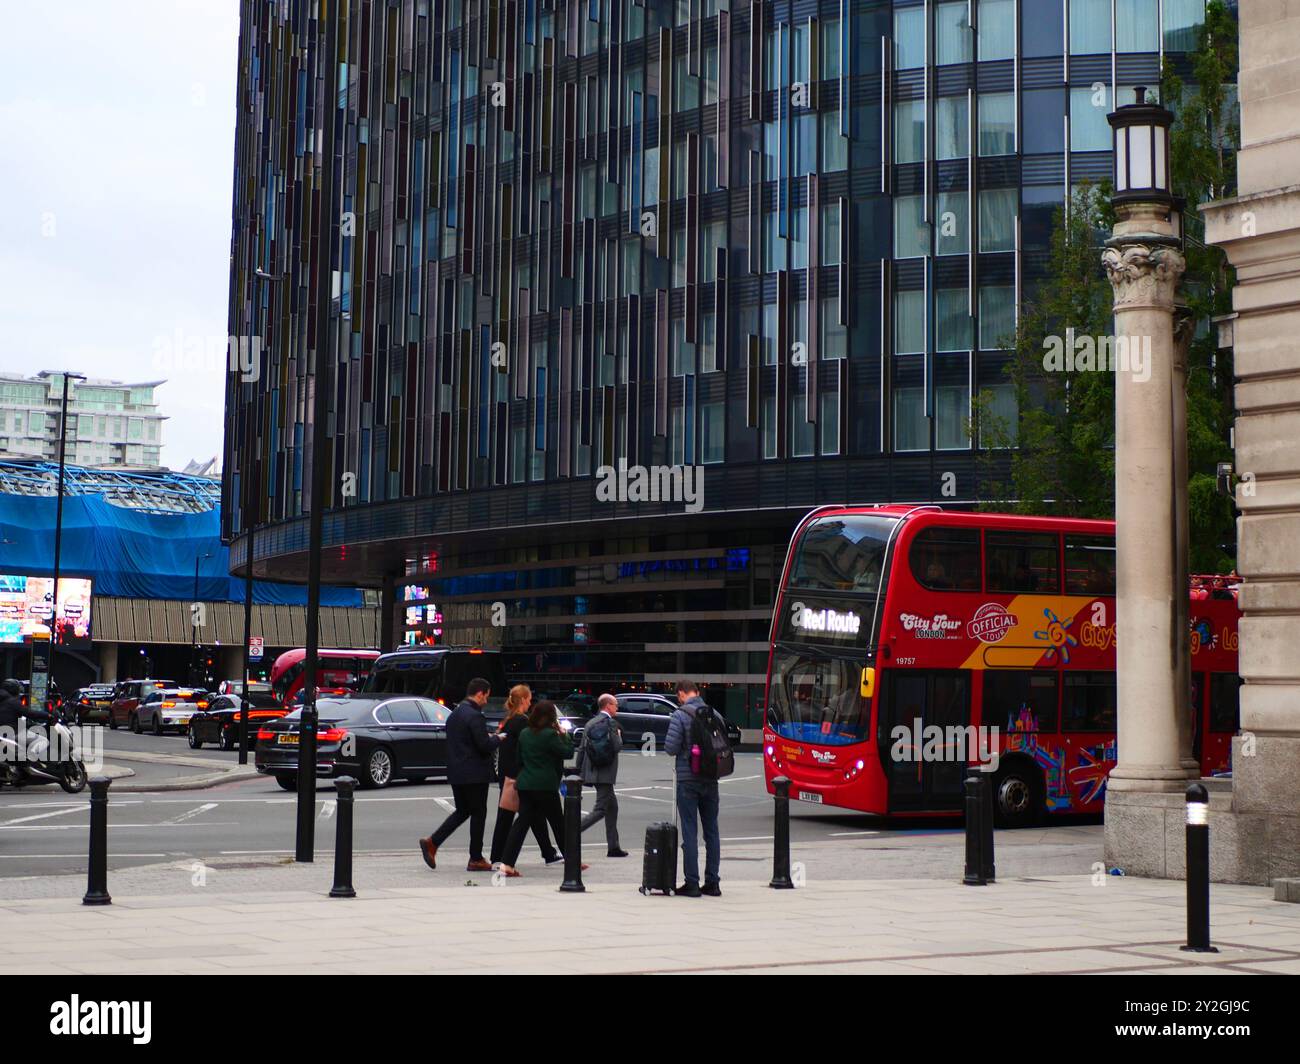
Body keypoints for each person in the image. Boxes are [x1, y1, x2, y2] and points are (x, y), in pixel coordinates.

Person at [419, 677, 501, 872]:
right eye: (486, 696)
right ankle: (476, 857)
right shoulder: (475, 715)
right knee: (479, 813)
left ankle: (433, 842)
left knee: (463, 811)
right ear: (480, 693)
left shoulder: (455, 714)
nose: (486, 701)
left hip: (457, 771)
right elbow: (484, 745)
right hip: (475, 773)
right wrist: (498, 738)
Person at [497, 700, 581, 878]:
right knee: (558, 824)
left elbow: (519, 759)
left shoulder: (525, 733)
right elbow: (567, 752)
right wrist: (564, 735)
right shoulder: (550, 735)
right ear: (551, 717)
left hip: (526, 784)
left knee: (521, 824)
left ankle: (507, 863)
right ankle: (573, 860)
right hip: (545, 785)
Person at [489, 684, 561, 866]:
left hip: (508, 774)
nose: (530, 703)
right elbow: (529, 747)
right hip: (518, 775)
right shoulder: (521, 722)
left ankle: (547, 853)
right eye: (529, 699)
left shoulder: (508, 720)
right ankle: (500, 857)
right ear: (523, 700)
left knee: (531, 816)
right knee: (513, 817)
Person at [664, 680, 721, 898]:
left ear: (681, 694)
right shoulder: (713, 713)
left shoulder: (680, 715)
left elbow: (670, 748)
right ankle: (713, 883)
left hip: (688, 779)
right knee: (712, 832)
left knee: (690, 831)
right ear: (697, 692)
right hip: (711, 779)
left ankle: (692, 883)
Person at [577, 692, 628, 857]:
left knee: (612, 807)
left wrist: (579, 771)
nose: (617, 707)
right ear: (608, 706)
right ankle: (572, 832)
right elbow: (616, 746)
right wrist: (619, 737)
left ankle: (613, 846)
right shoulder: (611, 724)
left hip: (593, 770)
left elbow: (582, 749)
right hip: (606, 772)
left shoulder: (590, 722)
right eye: (615, 705)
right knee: (600, 809)